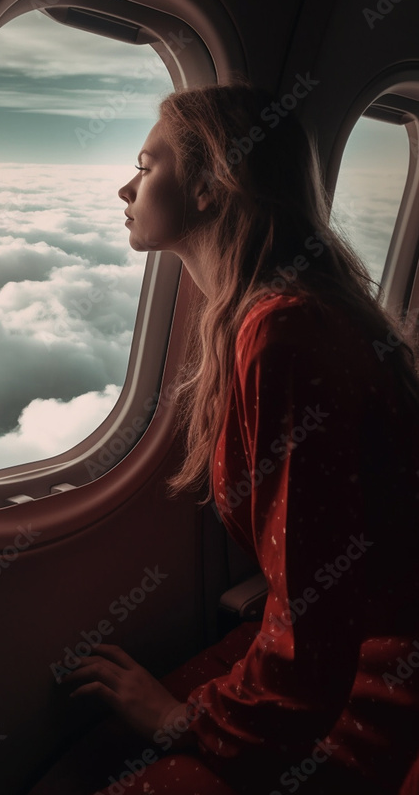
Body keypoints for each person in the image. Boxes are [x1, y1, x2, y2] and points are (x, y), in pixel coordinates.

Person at [32, 78, 419, 795]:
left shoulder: (284, 333)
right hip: (339, 648)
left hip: (380, 670)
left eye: (147, 167)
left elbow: (316, 625)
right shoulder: (278, 315)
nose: (126, 188)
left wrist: (183, 724)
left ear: (210, 185)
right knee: (82, 753)